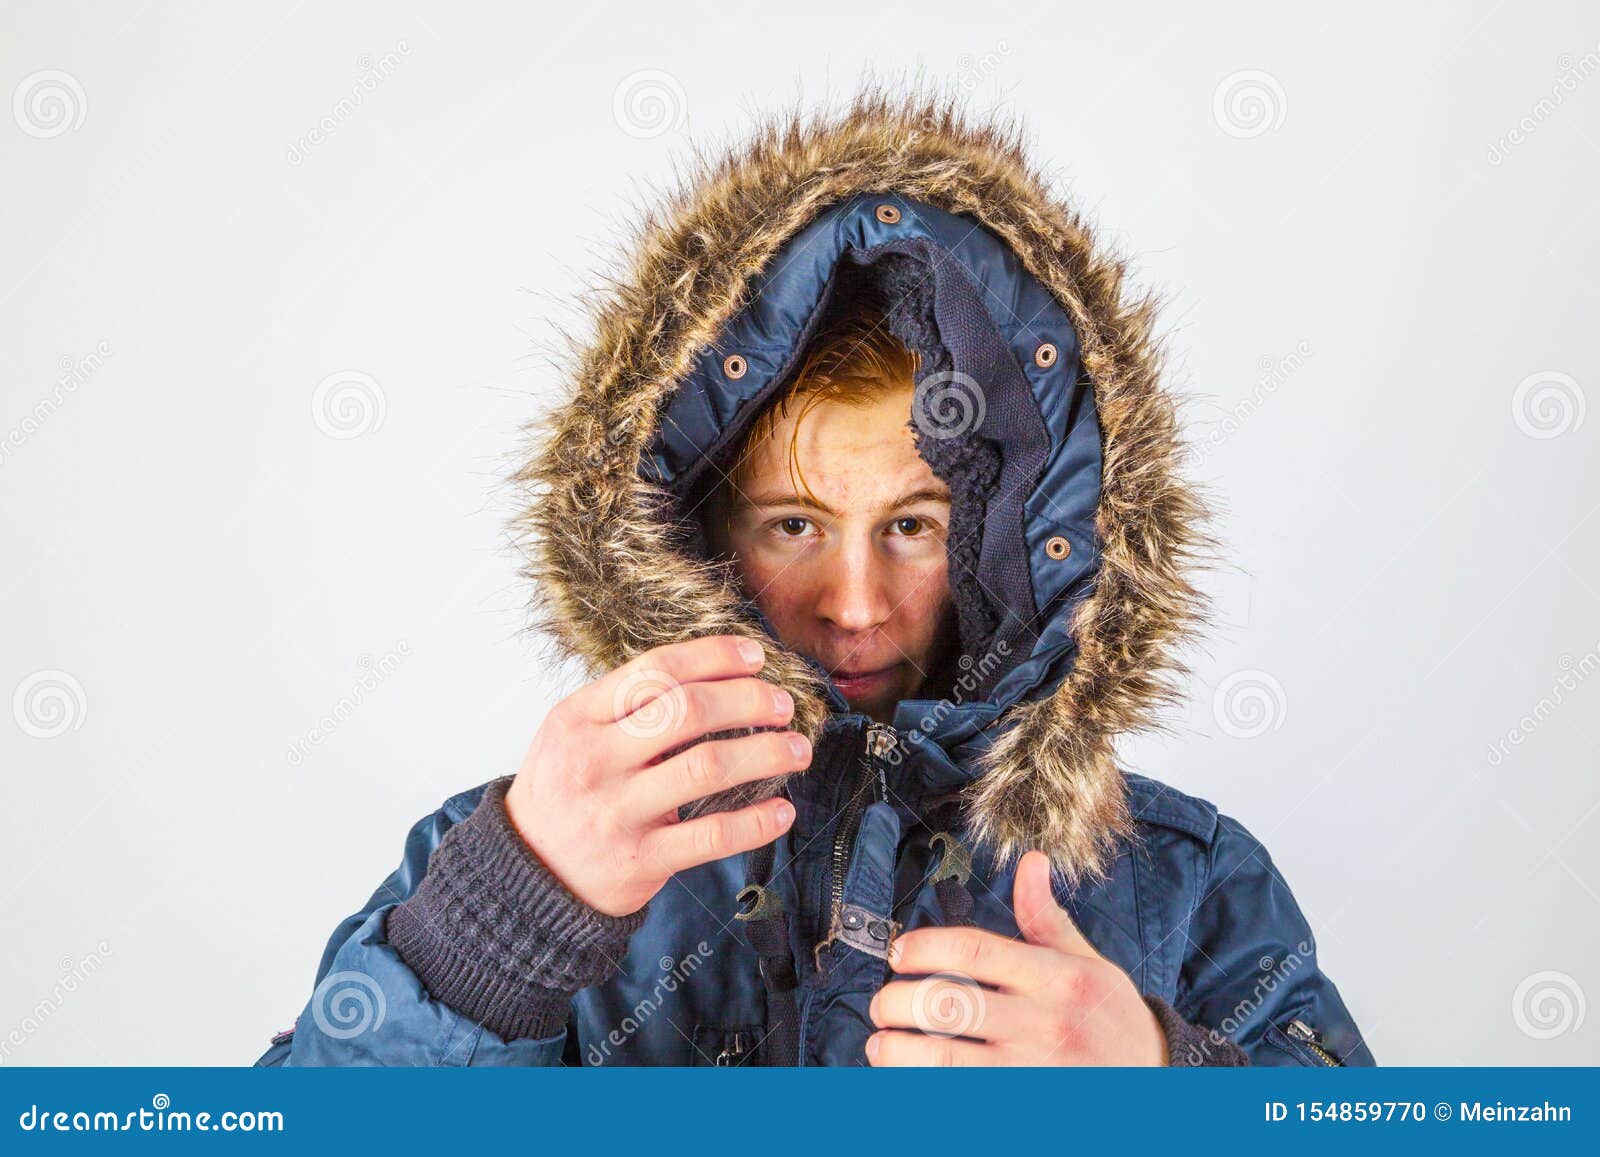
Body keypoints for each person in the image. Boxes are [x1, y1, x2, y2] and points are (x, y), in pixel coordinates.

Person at [257, 91, 1374, 1067]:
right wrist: (499, 934)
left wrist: (1162, 1081)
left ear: (1021, 538)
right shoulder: (537, 846)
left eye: (915, 524)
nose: (856, 602)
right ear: (693, 531)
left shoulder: (1181, 880)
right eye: (795, 522)